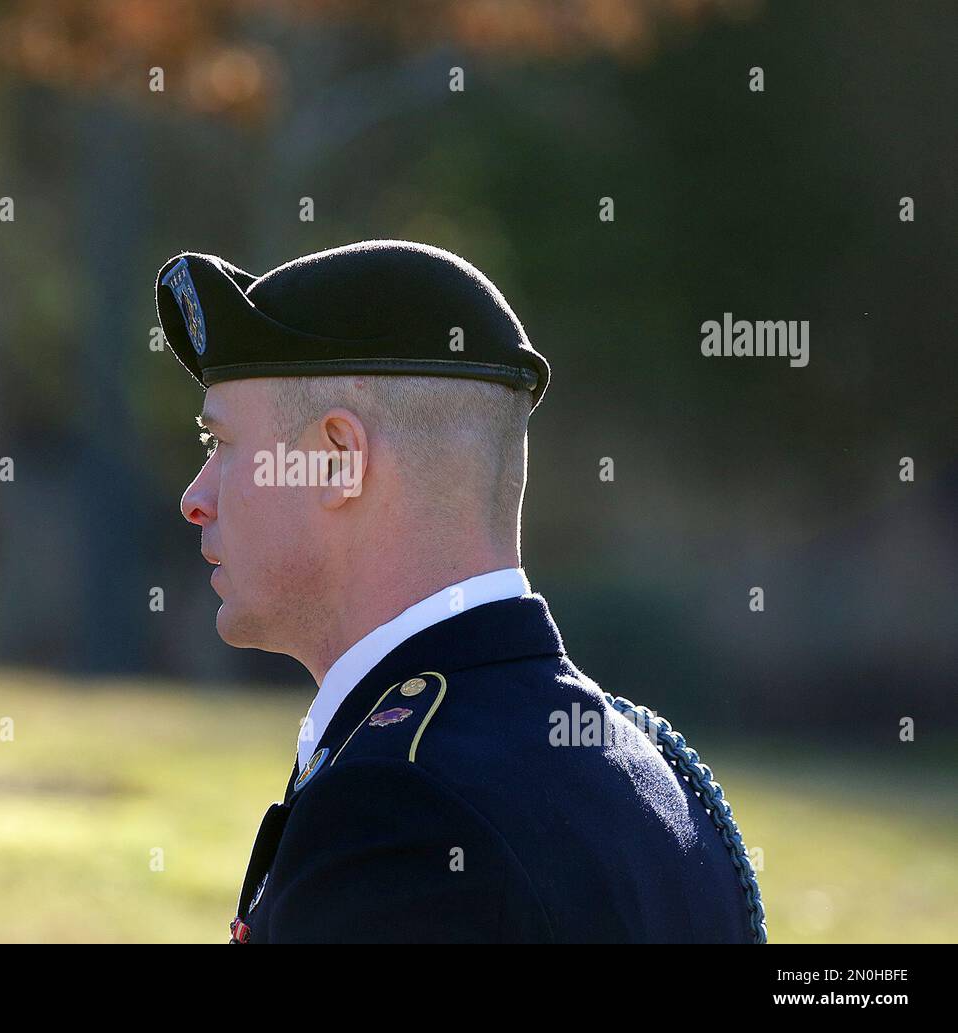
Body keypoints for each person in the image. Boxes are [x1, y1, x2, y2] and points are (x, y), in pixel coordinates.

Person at [156, 239, 765, 944]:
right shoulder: (658, 781)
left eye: (222, 445)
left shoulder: (398, 811)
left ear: (335, 461)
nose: (195, 497)